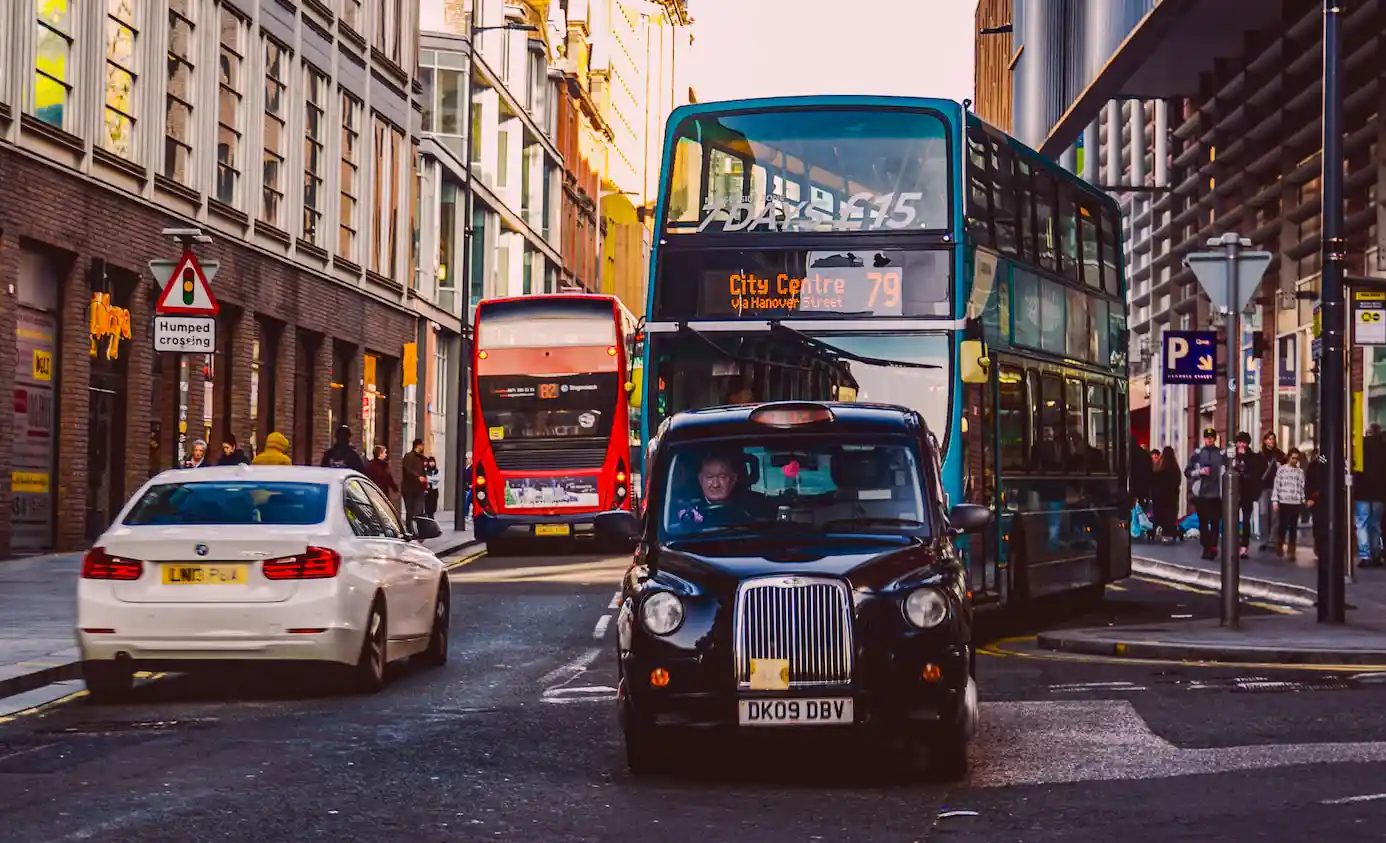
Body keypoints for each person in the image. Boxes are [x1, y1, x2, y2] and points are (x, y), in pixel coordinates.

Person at [673, 452, 753, 529]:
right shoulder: (686, 509)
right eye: (709, 477)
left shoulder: (754, 506)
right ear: (700, 479)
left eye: (722, 477)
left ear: (733, 479)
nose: (715, 484)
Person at [1185, 427, 1225, 560]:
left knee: (1215, 522)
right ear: (1204, 439)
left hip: (1216, 495)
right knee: (1203, 522)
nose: (1209, 439)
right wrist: (1199, 472)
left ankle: (1213, 546)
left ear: (1215, 439)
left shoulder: (1221, 454)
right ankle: (1205, 547)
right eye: (1207, 437)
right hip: (1201, 494)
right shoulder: (1197, 454)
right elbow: (1187, 472)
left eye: (1211, 437)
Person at [1355, 423, 1386, 567]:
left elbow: (1352, 466)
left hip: (1362, 492)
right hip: (1380, 493)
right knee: (1375, 525)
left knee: (1362, 524)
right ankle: (1375, 553)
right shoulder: (1383, 447)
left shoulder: (1359, 447)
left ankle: (1365, 555)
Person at [1271, 448, 1306, 559]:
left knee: (1293, 527)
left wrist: (1303, 500)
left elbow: (1301, 487)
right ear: (1288, 457)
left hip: (1295, 502)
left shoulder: (1300, 472)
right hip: (1284, 501)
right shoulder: (1281, 470)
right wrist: (1275, 501)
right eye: (1293, 458)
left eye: (1296, 458)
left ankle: (1291, 548)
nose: (1294, 461)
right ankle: (1280, 545)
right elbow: (1277, 486)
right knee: (1283, 525)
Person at [1256, 432, 1286, 550]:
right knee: (1263, 513)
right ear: (1264, 441)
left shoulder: (1279, 454)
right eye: (1268, 439)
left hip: (1276, 488)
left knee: (1275, 514)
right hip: (1263, 487)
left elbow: (1286, 467)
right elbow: (1257, 472)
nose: (1271, 441)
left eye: (1273, 439)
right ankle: (1264, 539)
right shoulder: (1260, 455)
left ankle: (1273, 540)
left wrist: (1280, 467)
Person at [1152, 446, 1182, 540]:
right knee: (1171, 514)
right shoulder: (1175, 468)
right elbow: (1177, 481)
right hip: (1172, 496)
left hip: (1160, 497)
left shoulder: (1159, 468)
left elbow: (1155, 481)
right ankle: (1170, 530)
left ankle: (1160, 529)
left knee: (1160, 514)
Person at [401, 439, 427, 530]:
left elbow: (424, 472)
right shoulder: (408, 456)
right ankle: (409, 529)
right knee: (410, 511)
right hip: (409, 488)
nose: (423, 447)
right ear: (418, 446)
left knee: (419, 510)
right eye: (422, 445)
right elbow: (407, 469)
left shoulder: (422, 458)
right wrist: (418, 477)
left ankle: (419, 530)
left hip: (419, 489)